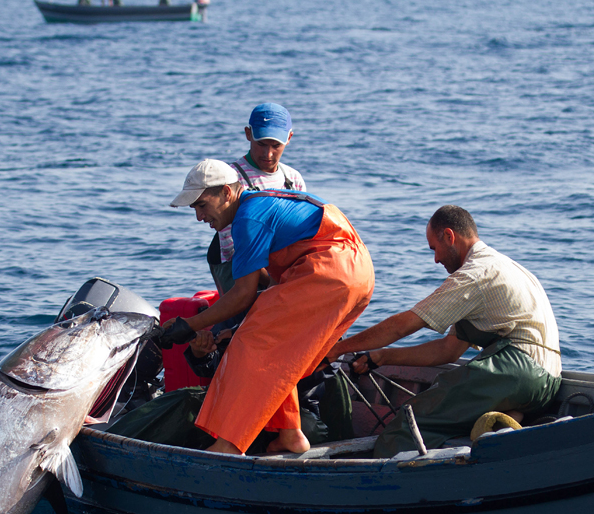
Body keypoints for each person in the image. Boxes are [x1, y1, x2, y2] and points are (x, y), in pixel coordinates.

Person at [162, 159, 374, 455]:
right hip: (358, 273)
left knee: (253, 345)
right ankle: (290, 434)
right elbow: (273, 286)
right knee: (280, 351)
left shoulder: (248, 218)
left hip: (330, 271)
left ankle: (228, 444)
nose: (199, 217)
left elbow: (243, 294)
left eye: (201, 205)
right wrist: (236, 327)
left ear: (226, 192)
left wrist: (188, 324)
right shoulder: (264, 204)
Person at [327, 205, 561, 458]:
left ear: (449, 236)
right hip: (547, 383)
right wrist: (381, 357)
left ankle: (384, 475)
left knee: (408, 424)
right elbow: (447, 351)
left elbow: (404, 325)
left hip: (518, 371)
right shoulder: (505, 266)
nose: (436, 259)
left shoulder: (473, 276)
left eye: (434, 249)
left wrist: (338, 349)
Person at [207, 103, 307, 297]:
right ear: (248, 134)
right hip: (241, 273)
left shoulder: (293, 180)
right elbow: (231, 248)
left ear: (289, 138)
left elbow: (301, 240)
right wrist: (275, 284)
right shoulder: (231, 179)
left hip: (281, 275)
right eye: (261, 144)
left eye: (276, 145)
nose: (268, 154)